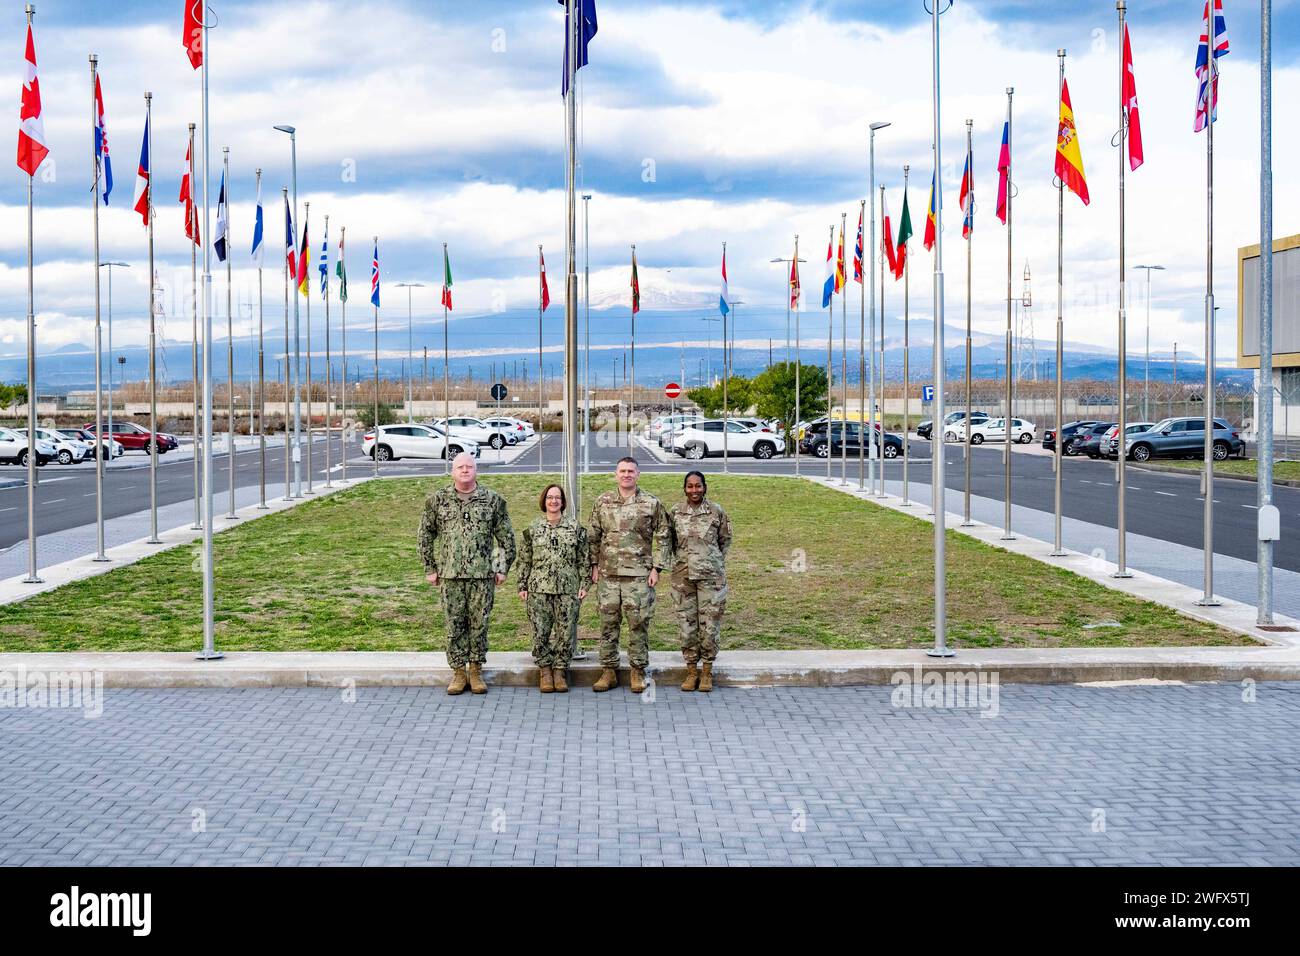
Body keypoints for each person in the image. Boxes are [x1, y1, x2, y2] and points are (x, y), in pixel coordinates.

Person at [417, 452, 515, 695]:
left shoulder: (493, 501)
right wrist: (430, 567)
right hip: (450, 576)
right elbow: (425, 535)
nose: (464, 470)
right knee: (454, 624)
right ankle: (459, 672)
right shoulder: (438, 500)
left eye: (469, 466)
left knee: (478, 624)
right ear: (452, 471)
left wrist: (500, 568)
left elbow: (505, 538)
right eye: (460, 467)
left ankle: (476, 670)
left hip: (482, 576)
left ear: (476, 470)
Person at [587, 456, 670, 694]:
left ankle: (637, 670)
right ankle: (609, 671)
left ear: (638, 474)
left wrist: (658, 567)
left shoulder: (650, 503)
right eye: (622, 471)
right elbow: (593, 536)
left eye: (630, 471)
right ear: (616, 474)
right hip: (608, 575)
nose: (626, 475)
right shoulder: (603, 502)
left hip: (639, 576)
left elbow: (664, 536)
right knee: (608, 624)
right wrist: (593, 565)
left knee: (638, 624)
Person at [517, 483, 588, 694]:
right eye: (550, 497)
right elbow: (524, 560)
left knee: (565, 633)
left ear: (563, 502)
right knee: (541, 632)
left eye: (557, 497)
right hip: (539, 589)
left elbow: (583, 559)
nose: (553, 501)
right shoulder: (533, 529)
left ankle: (560, 671)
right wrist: (522, 585)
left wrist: (584, 584)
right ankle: (545, 671)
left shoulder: (575, 528)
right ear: (544, 501)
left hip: (568, 589)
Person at [667, 471, 732, 692]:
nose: (694, 490)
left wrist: (711, 562)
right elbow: (671, 542)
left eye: (698, 486)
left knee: (709, 626)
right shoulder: (675, 512)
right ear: (684, 488)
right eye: (690, 486)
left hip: (711, 579)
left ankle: (706, 672)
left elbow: (725, 540)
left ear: (705, 487)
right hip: (683, 578)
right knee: (687, 626)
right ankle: (691, 671)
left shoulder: (716, 511)